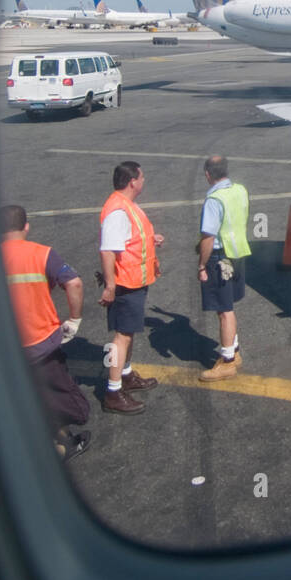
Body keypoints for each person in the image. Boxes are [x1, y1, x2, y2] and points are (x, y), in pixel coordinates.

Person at [0, 203, 91, 461]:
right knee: (64, 399)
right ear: (26, 226)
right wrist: (74, 319)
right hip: (41, 342)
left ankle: (60, 439)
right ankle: (56, 449)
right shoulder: (42, 254)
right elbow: (74, 282)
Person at [98, 161, 163, 412]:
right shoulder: (118, 211)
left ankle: (125, 374)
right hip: (124, 283)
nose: (144, 181)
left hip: (134, 281)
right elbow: (107, 251)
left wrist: (150, 239)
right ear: (132, 181)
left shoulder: (127, 205)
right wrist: (110, 286)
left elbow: (128, 239)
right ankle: (113, 392)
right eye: (142, 177)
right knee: (120, 337)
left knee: (128, 332)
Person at [196, 155, 251, 381]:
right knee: (228, 307)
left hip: (219, 257)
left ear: (208, 175)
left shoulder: (214, 200)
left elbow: (208, 237)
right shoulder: (240, 190)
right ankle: (234, 351)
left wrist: (201, 264)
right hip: (238, 253)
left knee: (224, 310)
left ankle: (227, 361)